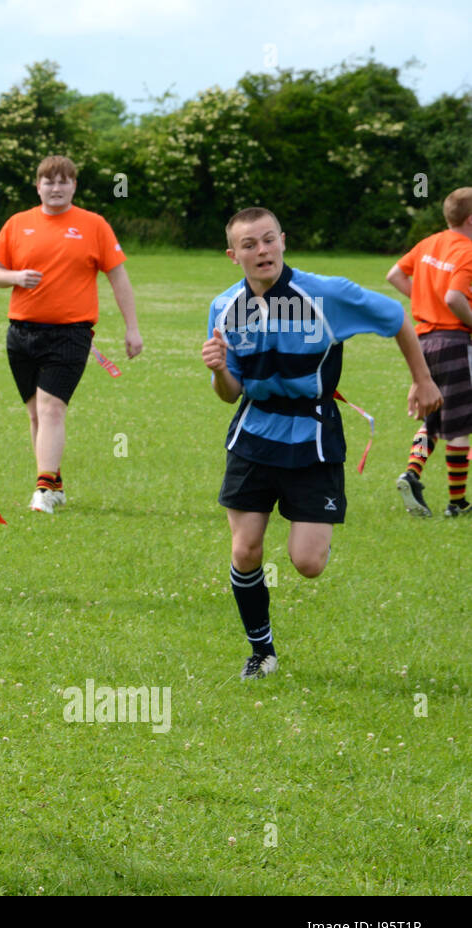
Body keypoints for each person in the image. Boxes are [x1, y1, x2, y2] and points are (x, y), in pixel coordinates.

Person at [201, 207, 441, 680]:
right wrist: (218, 370)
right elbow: (231, 393)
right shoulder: (225, 307)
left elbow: (395, 317)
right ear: (234, 255)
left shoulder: (324, 294)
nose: (261, 250)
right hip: (253, 432)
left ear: (283, 241)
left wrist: (423, 380)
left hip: (313, 434)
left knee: (308, 563)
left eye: (268, 240)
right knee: (245, 549)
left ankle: (312, 536)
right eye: (249, 245)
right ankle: (261, 651)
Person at [0, 154, 143, 513]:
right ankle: (54, 482)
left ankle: (42, 489)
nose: (56, 188)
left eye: (63, 181)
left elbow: (118, 276)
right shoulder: (17, 224)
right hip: (21, 333)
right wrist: (15, 277)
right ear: (37, 186)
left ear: (74, 185)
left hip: (71, 335)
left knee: (52, 407)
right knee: (35, 414)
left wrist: (132, 328)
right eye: (49, 181)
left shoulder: (94, 225)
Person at [385, 187, 472, 518]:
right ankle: (457, 503)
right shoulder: (467, 251)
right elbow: (454, 299)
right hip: (454, 342)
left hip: (424, 343)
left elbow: (394, 275)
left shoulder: (430, 243)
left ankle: (411, 473)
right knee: (460, 422)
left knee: (433, 416)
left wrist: (423, 302)